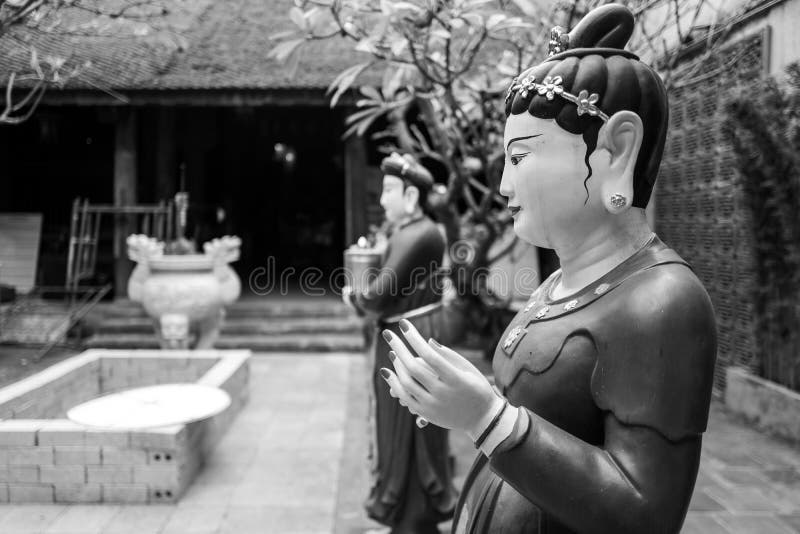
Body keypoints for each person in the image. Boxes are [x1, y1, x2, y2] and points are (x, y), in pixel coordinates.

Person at [378, 4, 717, 533]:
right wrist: (461, 390)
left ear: (617, 150)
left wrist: (486, 418)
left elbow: (645, 513)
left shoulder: (662, 301)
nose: (504, 187)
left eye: (520, 157)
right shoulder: (561, 280)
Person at [344, 152, 455, 534]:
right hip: (404, 336)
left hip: (411, 342)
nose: (381, 199)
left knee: (411, 424)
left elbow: (378, 294)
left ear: (411, 196)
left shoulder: (419, 233)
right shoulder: (405, 231)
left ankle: (413, 515)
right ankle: (403, 512)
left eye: (389, 190)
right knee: (396, 421)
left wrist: (355, 296)